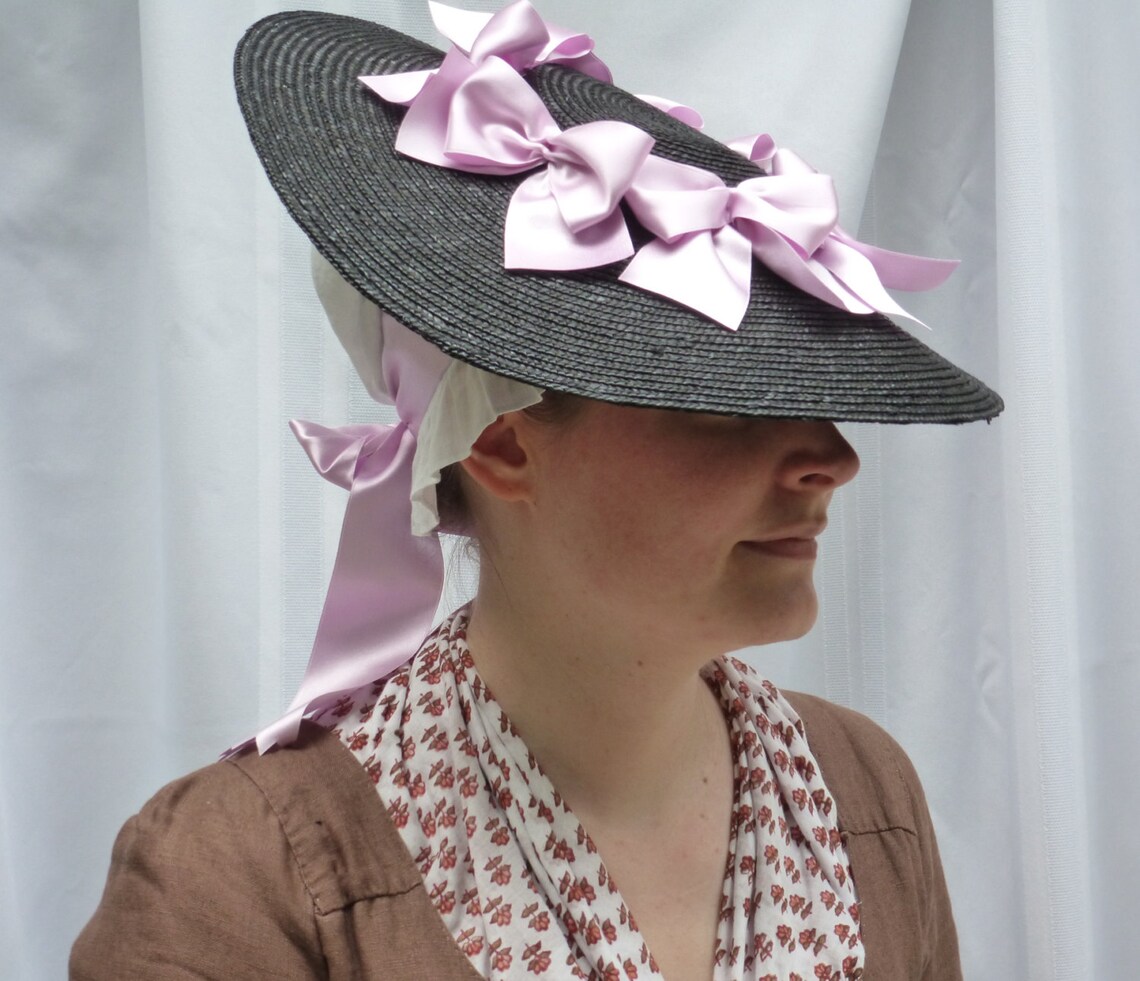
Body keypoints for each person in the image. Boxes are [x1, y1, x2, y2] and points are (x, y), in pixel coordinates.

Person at [71, 4, 1002, 979]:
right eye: (724, 408)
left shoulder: (863, 795)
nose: (833, 459)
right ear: (503, 446)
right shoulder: (236, 883)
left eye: (811, 395)